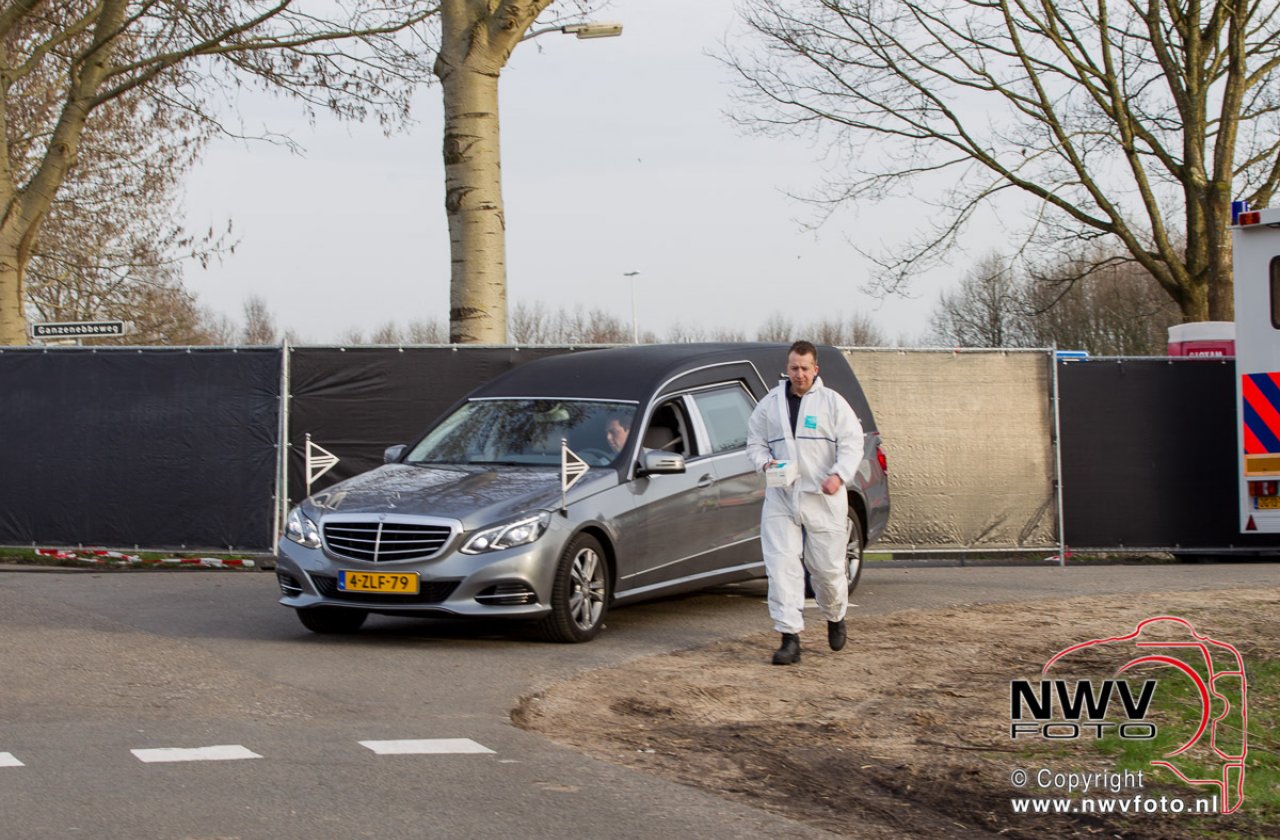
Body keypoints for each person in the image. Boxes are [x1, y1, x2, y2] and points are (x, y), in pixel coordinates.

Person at [746, 340, 864, 665]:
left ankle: (835, 615)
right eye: (794, 368)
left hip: (823, 497)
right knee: (781, 566)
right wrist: (765, 463)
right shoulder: (770, 405)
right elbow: (754, 442)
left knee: (826, 569)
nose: (799, 374)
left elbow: (853, 443)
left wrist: (839, 475)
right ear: (787, 369)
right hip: (782, 497)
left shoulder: (832, 403)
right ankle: (789, 638)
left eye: (805, 368)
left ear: (815, 369)